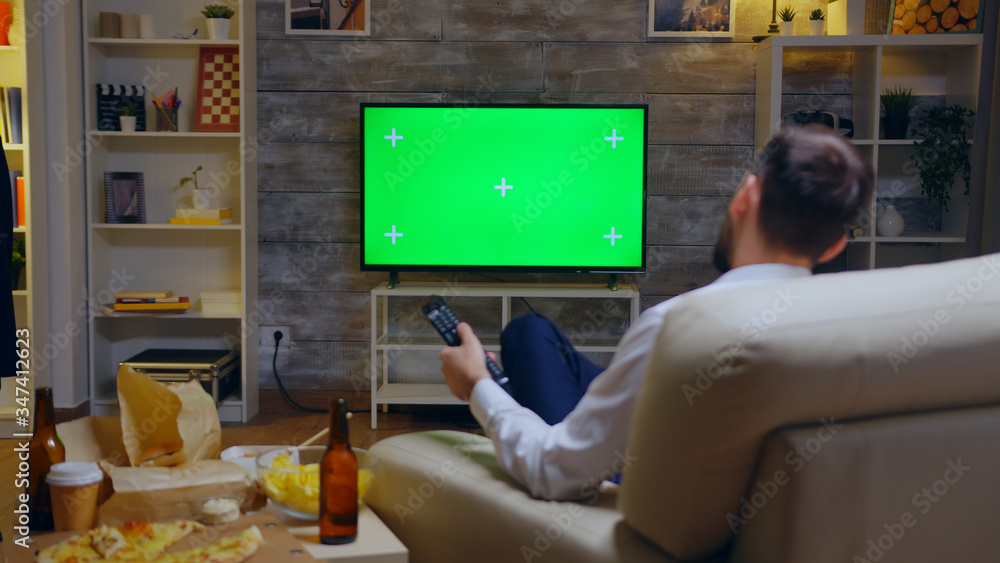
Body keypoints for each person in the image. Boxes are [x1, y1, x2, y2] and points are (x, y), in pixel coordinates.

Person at [438, 126, 874, 500]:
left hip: (628, 480)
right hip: (709, 461)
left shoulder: (678, 326)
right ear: (836, 244)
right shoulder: (859, 330)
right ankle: (584, 415)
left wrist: (476, 385)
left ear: (747, 194)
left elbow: (554, 473)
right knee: (529, 333)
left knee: (514, 369)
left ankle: (548, 412)